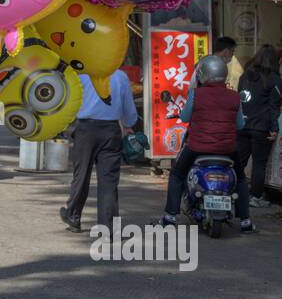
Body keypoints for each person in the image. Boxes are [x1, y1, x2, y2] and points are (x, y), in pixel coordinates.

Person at [160, 53, 254, 232]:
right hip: (227, 148)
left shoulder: (196, 94)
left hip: (197, 146)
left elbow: (185, 117)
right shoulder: (234, 97)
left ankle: (170, 217)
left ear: (202, 74)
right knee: (241, 178)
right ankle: (245, 222)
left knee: (177, 174)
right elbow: (240, 125)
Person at [60, 67, 137, 232]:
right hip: (111, 131)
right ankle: (108, 228)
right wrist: (129, 124)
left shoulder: (81, 75)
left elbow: (69, 102)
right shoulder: (120, 76)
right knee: (108, 182)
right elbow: (129, 109)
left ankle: (73, 216)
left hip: (85, 130)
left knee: (81, 175)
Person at [237, 44, 282, 208]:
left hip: (242, 125)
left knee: (239, 162)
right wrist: (274, 128)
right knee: (259, 164)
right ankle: (255, 197)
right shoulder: (274, 79)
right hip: (261, 128)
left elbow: (239, 100)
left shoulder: (245, 76)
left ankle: (234, 192)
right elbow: (274, 106)